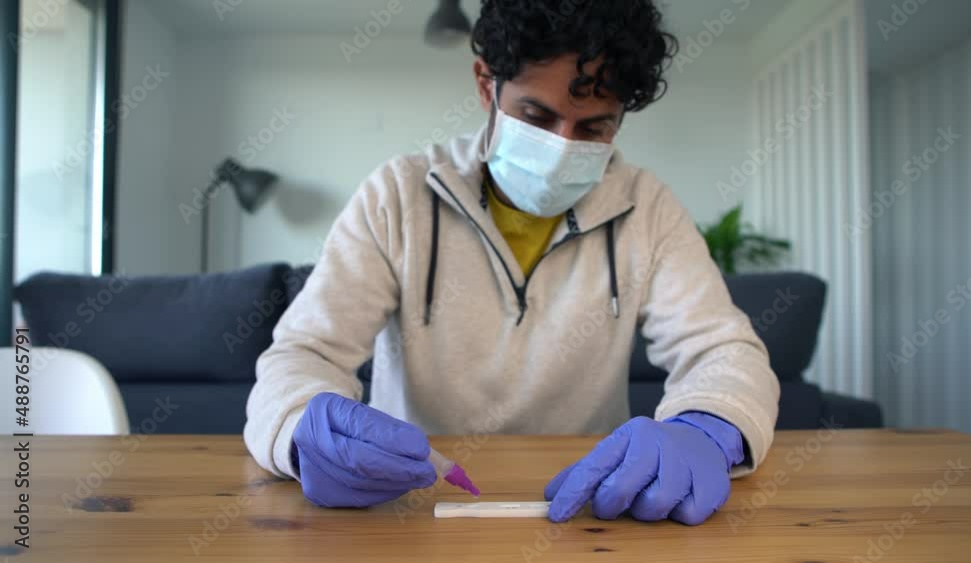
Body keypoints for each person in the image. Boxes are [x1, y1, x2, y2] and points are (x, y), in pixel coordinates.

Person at [245, 0, 779, 525]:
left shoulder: (648, 209)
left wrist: (709, 429)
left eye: (593, 129)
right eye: (536, 116)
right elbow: (302, 353)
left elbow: (723, 350)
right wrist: (298, 429)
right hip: (412, 508)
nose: (561, 149)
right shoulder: (397, 196)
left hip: (595, 509)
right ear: (486, 84)